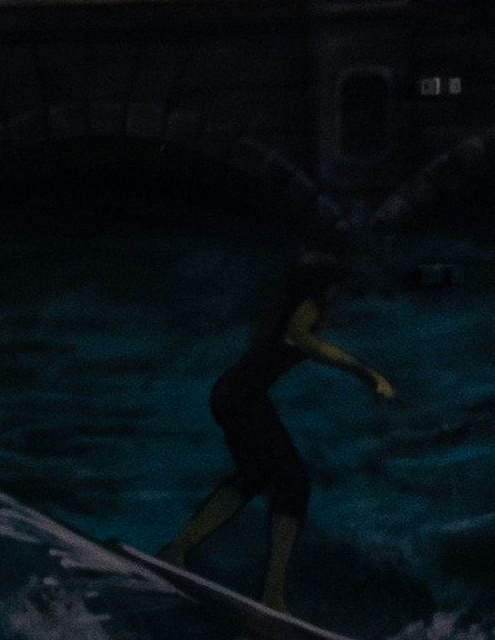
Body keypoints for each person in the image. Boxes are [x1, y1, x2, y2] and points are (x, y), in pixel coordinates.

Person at [170, 255, 402, 613]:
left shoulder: (285, 310)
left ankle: (178, 549)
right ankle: (273, 595)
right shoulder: (300, 315)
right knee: (294, 484)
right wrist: (367, 373)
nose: (337, 297)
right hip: (243, 399)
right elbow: (305, 341)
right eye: (333, 290)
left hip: (230, 394)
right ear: (320, 292)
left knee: (253, 476)